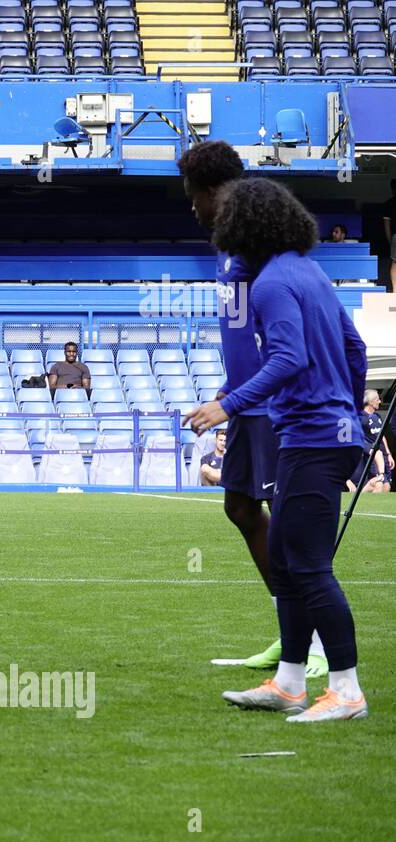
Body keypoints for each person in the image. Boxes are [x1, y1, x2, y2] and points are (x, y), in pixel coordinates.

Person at [187, 177, 370, 722]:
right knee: (288, 561)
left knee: (308, 565)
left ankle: (347, 691)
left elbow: (287, 358)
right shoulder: (309, 272)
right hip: (321, 434)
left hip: (312, 438)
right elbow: (355, 348)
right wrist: (348, 411)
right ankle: (290, 683)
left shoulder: (269, 284)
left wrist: (228, 405)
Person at [177, 139, 327, 678]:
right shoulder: (227, 248)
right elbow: (249, 332)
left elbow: (285, 330)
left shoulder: (260, 244)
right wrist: (229, 387)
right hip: (246, 400)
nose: (192, 206)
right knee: (240, 508)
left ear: (216, 191)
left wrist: (242, 396)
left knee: (285, 524)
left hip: (273, 406)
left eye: (194, 195)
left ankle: (313, 645)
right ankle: (292, 631)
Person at [348, 389, 392, 493]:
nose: (380, 401)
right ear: (371, 402)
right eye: (377, 399)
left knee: (387, 486)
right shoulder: (360, 418)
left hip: (383, 456)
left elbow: (381, 436)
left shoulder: (377, 417)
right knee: (379, 484)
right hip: (372, 456)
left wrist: (388, 453)